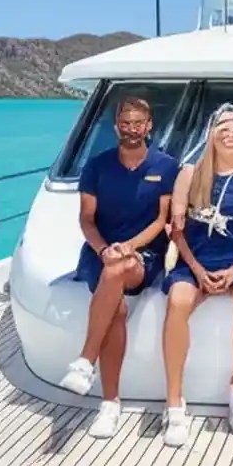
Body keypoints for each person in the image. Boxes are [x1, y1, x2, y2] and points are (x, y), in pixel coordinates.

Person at [60, 97, 178, 439]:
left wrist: (129, 247)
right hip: (100, 250)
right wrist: (102, 249)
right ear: (116, 127)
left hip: (143, 255)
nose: (131, 129)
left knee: (116, 272)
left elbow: (161, 220)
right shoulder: (96, 166)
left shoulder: (166, 166)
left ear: (149, 126)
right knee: (117, 310)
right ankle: (109, 403)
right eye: (125, 123)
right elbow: (87, 219)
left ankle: (85, 362)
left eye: (138, 122)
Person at [159, 103, 233, 447]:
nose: (231, 135)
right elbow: (177, 232)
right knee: (178, 301)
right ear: (211, 134)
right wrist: (196, 269)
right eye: (224, 128)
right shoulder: (190, 175)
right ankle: (174, 402)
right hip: (197, 259)